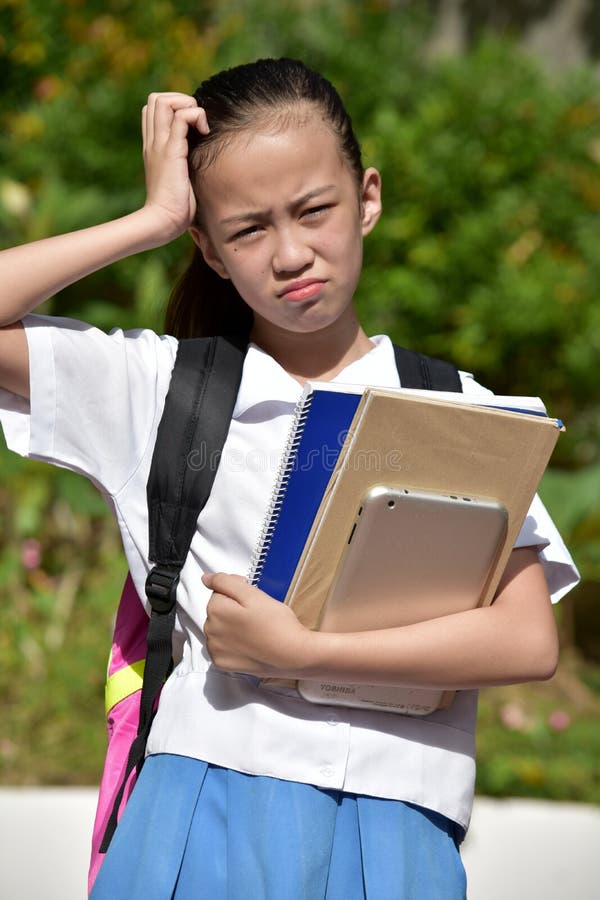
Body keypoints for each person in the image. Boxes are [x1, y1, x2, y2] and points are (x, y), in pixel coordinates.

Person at [0, 58, 578, 899]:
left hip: (398, 830)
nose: (291, 253)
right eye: (246, 230)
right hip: (199, 809)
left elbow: (527, 641)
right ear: (208, 248)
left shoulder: (462, 409)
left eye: (314, 210)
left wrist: (304, 653)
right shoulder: (158, 389)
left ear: (367, 198)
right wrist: (151, 220)